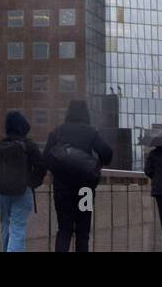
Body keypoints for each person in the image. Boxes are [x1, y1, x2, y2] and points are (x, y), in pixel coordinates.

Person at [44, 99, 114, 253]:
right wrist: (97, 164)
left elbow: (46, 159)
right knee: (83, 231)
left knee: (64, 229)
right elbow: (107, 153)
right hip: (85, 190)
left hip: (62, 190)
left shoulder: (57, 132)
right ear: (85, 113)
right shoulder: (90, 131)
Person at [0, 111, 47, 252]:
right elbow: (41, 167)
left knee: (6, 227)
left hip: (1, 192)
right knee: (18, 229)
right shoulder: (29, 145)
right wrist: (31, 182)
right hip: (22, 191)